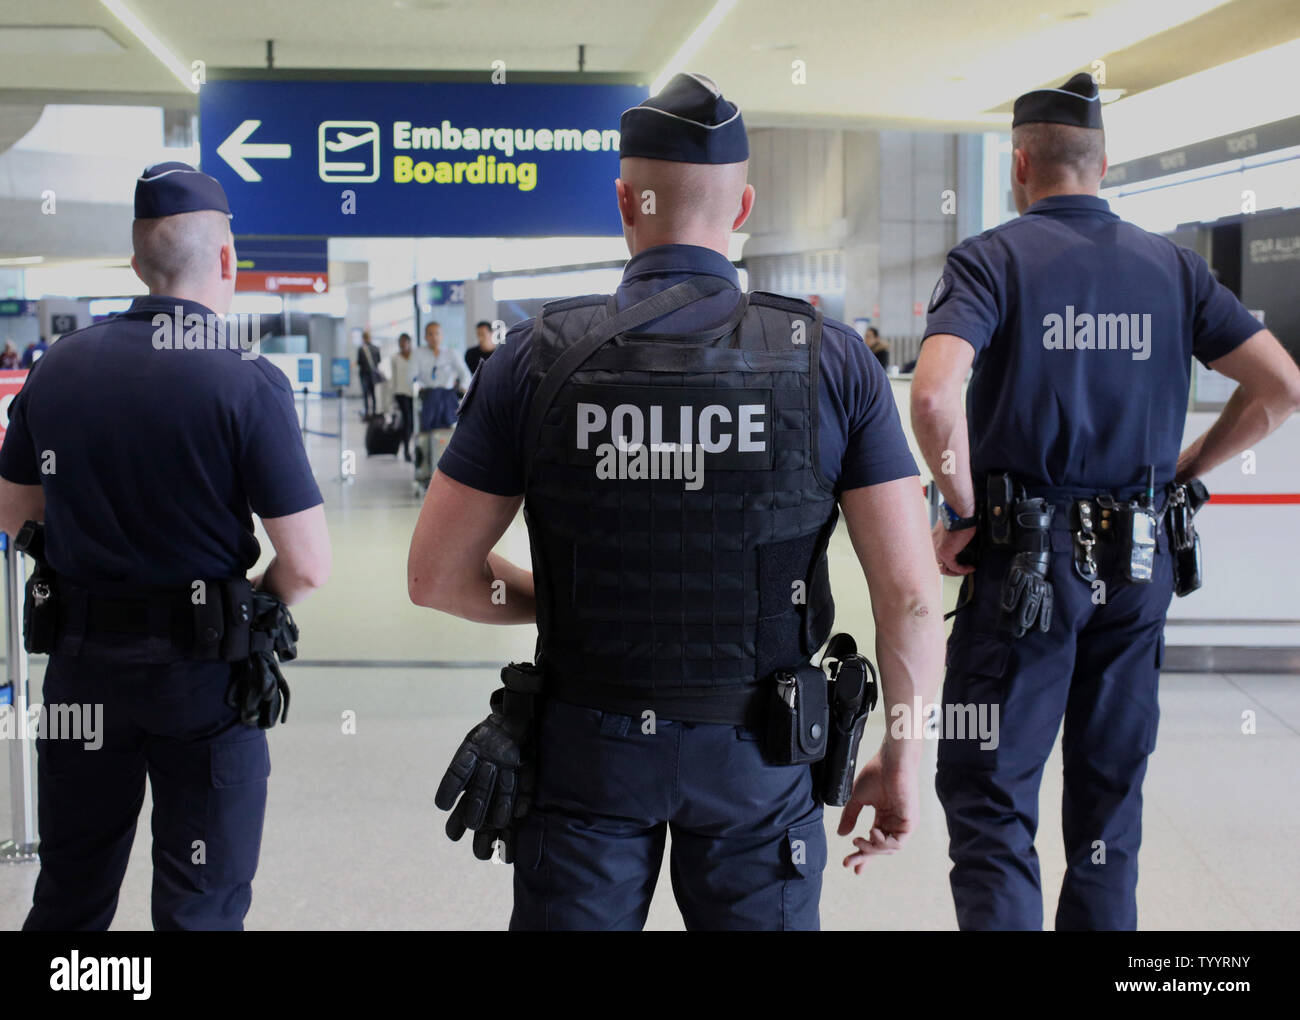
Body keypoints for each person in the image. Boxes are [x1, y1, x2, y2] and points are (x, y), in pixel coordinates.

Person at [408, 73, 944, 931]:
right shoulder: (831, 361)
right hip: (762, 760)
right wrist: (904, 758)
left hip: (588, 747)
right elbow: (913, 596)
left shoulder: (532, 358)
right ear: (742, 208)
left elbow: (437, 576)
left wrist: (579, 608)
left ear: (625, 199)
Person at [911, 73, 1300, 931]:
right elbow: (1280, 385)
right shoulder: (1174, 268)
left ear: (1019, 163)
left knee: (987, 789)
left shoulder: (991, 259)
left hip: (1021, 573)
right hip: (1140, 565)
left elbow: (935, 397)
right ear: (1103, 163)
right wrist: (1187, 471)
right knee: (1108, 800)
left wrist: (962, 505)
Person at [0, 161, 332, 931]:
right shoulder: (245, 379)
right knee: (201, 903)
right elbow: (309, 562)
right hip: (205, 681)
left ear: (136, 261)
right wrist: (257, 608)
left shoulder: (58, 368)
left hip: (81, 673)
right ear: (227, 260)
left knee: (70, 894)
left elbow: (14, 511)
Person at [416, 320, 471, 431]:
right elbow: (413, 376)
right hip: (429, 397)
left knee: (450, 430)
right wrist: (418, 386)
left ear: (442, 336)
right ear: (425, 337)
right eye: (430, 334)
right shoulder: (419, 354)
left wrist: (462, 389)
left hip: (448, 397)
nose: (434, 337)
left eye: (437, 333)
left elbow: (464, 373)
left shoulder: (451, 353)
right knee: (428, 430)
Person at [392, 332, 417, 462]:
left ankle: (409, 447)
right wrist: (392, 397)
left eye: (404, 342)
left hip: (414, 393)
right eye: (400, 342)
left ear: (409, 342)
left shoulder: (415, 356)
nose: (402, 344)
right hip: (401, 393)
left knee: (412, 422)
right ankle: (407, 450)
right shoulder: (395, 358)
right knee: (407, 421)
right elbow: (393, 377)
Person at [357, 329, 383, 418]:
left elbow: (360, 362)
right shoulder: (376, 348)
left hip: (364, 374)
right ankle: (375, 411)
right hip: (373, 374)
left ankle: (367, 412)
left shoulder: (361, 349)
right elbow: (379, 361)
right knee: (373, 394)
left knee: (365, 394)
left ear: (363, 338)